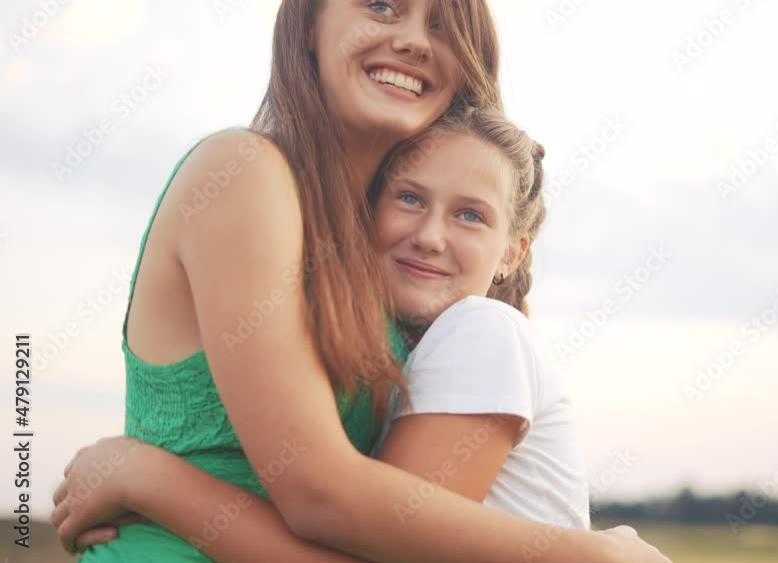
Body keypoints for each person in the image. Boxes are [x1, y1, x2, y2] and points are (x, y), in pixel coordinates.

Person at [51, 1, 670, 561]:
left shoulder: (394, 284)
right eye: (381, 7)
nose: (414, 40)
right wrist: (596, 557)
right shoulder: (242, 173)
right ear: (309, 24)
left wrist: (146, 477)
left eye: (441, 25)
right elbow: (318, 495)